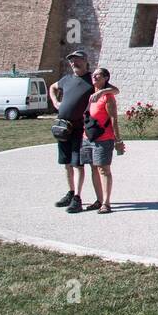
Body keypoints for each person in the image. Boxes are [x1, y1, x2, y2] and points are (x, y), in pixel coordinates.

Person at [50, 49, 117, 213]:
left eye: (77, 60)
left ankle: (77, 198)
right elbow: (52, 87)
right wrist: (55, 102)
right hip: (63, 128)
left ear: (85, 61)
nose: (74, 63)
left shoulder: (91, 79)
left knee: (78, 164)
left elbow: (115, 90)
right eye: (72, 60)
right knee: (67, 164)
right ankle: (71, 192)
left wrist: (102, 90)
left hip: (80, 129)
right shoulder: (66, 79)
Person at [79, 67, 124, 214]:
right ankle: (98, 200)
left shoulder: (108, 97)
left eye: (98, 75)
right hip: (88, 138)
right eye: (94, 75)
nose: (94, 77)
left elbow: (114, 119)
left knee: (104, 169)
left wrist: (118, 140)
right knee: (93, 168)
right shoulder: (91, 94)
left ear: (106, 78)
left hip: (104, 139)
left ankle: (106, 202)